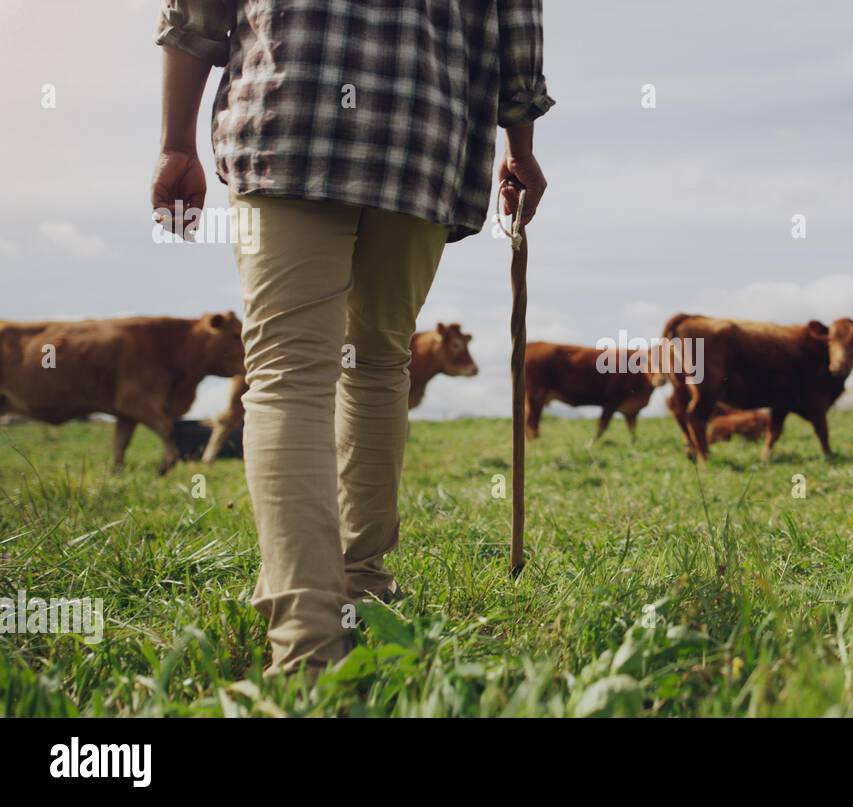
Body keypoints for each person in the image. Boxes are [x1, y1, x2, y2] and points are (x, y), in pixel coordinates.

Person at [150, 0, 553, 675]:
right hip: (423, 125)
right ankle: (361, 592)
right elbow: (518, 25)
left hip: (288, 108)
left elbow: (195, 11)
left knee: (286, 373)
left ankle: (307, 641)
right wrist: (521, 150)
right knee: (376, 365)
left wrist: (173, 141)